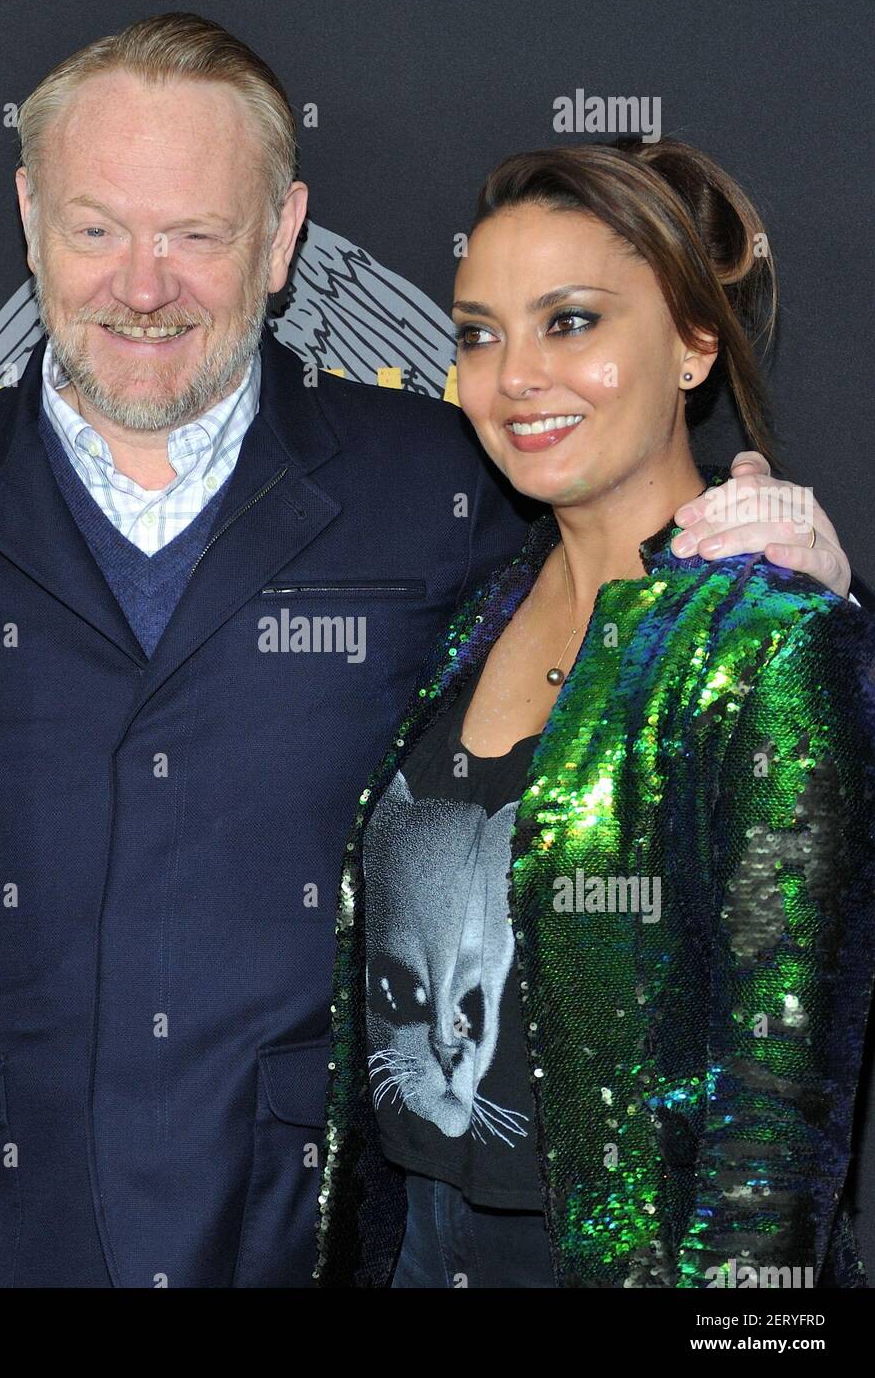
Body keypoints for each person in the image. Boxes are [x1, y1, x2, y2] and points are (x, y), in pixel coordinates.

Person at [0, 14, 856, 1288]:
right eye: (97, 228)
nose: (143, 284)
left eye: (196, 232)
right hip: (8, 1207)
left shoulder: (440, 485)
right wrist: (45, 1003)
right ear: (31, 217)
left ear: (281, 237)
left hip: (319, 1221)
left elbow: (773, 1072)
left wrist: (781, 553)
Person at [314, 136, 875, 1289]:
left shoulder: (772, 634)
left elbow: (780, 1114)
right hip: (417, 1242)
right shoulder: (482, 604)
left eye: (570, 321)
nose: (514, 373)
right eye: (479, 332)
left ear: (692, 343)